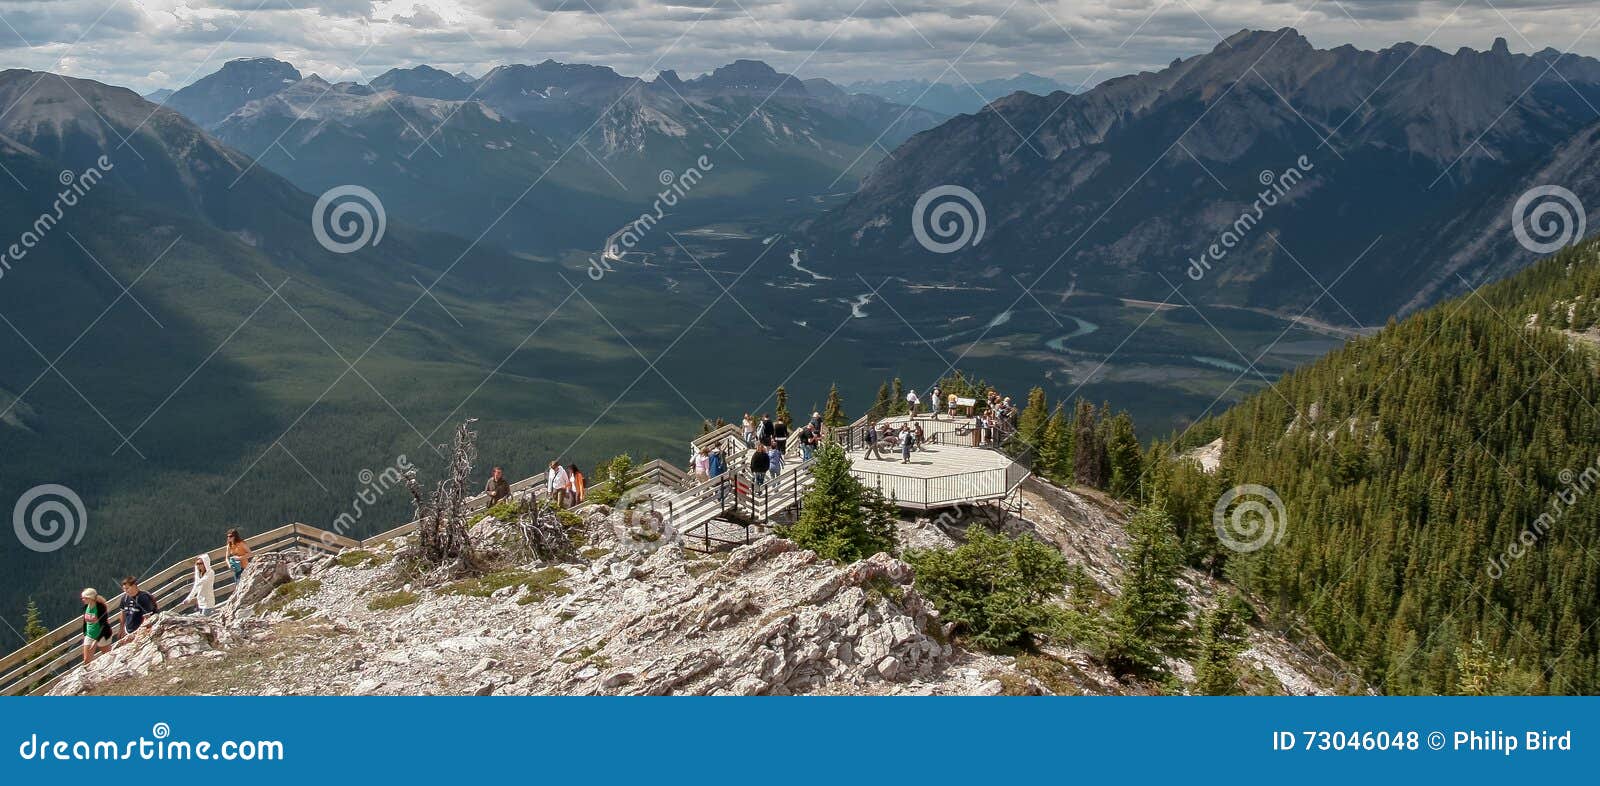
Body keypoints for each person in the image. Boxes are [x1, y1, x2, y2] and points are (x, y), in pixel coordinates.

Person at [118, 576, 159, 645]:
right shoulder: (124, 598)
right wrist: (121, 629)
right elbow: (123, 613)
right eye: (124, 589)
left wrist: (140, 632)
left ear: (134, 586)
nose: (125, 591)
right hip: (129, 631)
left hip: (143, 632)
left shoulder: (143, 598)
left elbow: (148, 617)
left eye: (127, 588)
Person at [80, 588, 112, 665]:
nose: (83, 600)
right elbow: (85, 622)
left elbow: (104, 624)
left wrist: (96, 640)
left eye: (85, 598)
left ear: (91, 598)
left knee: (107, 656)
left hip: (102, 635)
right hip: (90, 635)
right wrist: (85, 634)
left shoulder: (101, 608)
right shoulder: (86, 607)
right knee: (86, 660)